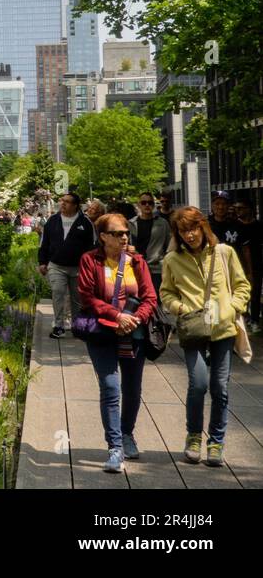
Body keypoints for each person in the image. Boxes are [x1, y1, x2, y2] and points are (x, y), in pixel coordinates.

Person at [160, 207, 252, 467]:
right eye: (183, 230)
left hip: (222, 328)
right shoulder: (172, 260)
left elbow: (242, 285)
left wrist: (233, 307)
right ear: (178, 234)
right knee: (198, 383)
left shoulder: (224, 252)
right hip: (193, 329)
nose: (190, 235)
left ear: (203, 227)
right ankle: (193, 437)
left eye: (194, 228)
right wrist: (181, 309)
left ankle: (216, 441)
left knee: (220, 387)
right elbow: (166, 293)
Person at [77, 213, 158, 473]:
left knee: (132, 389)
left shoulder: (137, 262)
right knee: (111, 387)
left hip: (133, 334)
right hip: (102, 333)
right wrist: (116, 315)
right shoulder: (90, 260)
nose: (124, 237)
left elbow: (150, 298)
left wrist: (136, 319)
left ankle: (127, 434)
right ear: (103, 237)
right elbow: (88, 297)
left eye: (126, 233)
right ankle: (114, 447)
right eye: (117, 233)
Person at [38, 192, 97, 340]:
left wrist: (90, 267)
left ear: (76, 205)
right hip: (56, 265)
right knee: (58, 292)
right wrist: (42, 262)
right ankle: (58, 326)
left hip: (78, 268)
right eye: (62, 201)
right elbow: (44, 243)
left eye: (67, 202)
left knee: (77, 298)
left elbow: (93, 246)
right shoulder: (52, 220)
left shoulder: (86, 223)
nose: (63, 204)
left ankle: (77, 326)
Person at [131, 192, 171, 295]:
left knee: (156, 300)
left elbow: (169, 246)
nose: (147, 205)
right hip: (136, 268)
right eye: (143, 203)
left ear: (154, 205)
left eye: (150, 202)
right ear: (138, 205)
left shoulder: (163, 223)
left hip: (156, 269)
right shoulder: (131, 224)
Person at [233, 200, 261, 327]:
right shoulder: (235, 226)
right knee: (241, 291)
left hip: (257, 263)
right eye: (236, 208)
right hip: (238, 263)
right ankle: (244, 316)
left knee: (255, 291)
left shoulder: (258, 225)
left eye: (241, 208)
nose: (238, 211)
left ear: (249, 209)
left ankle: (255, 319)